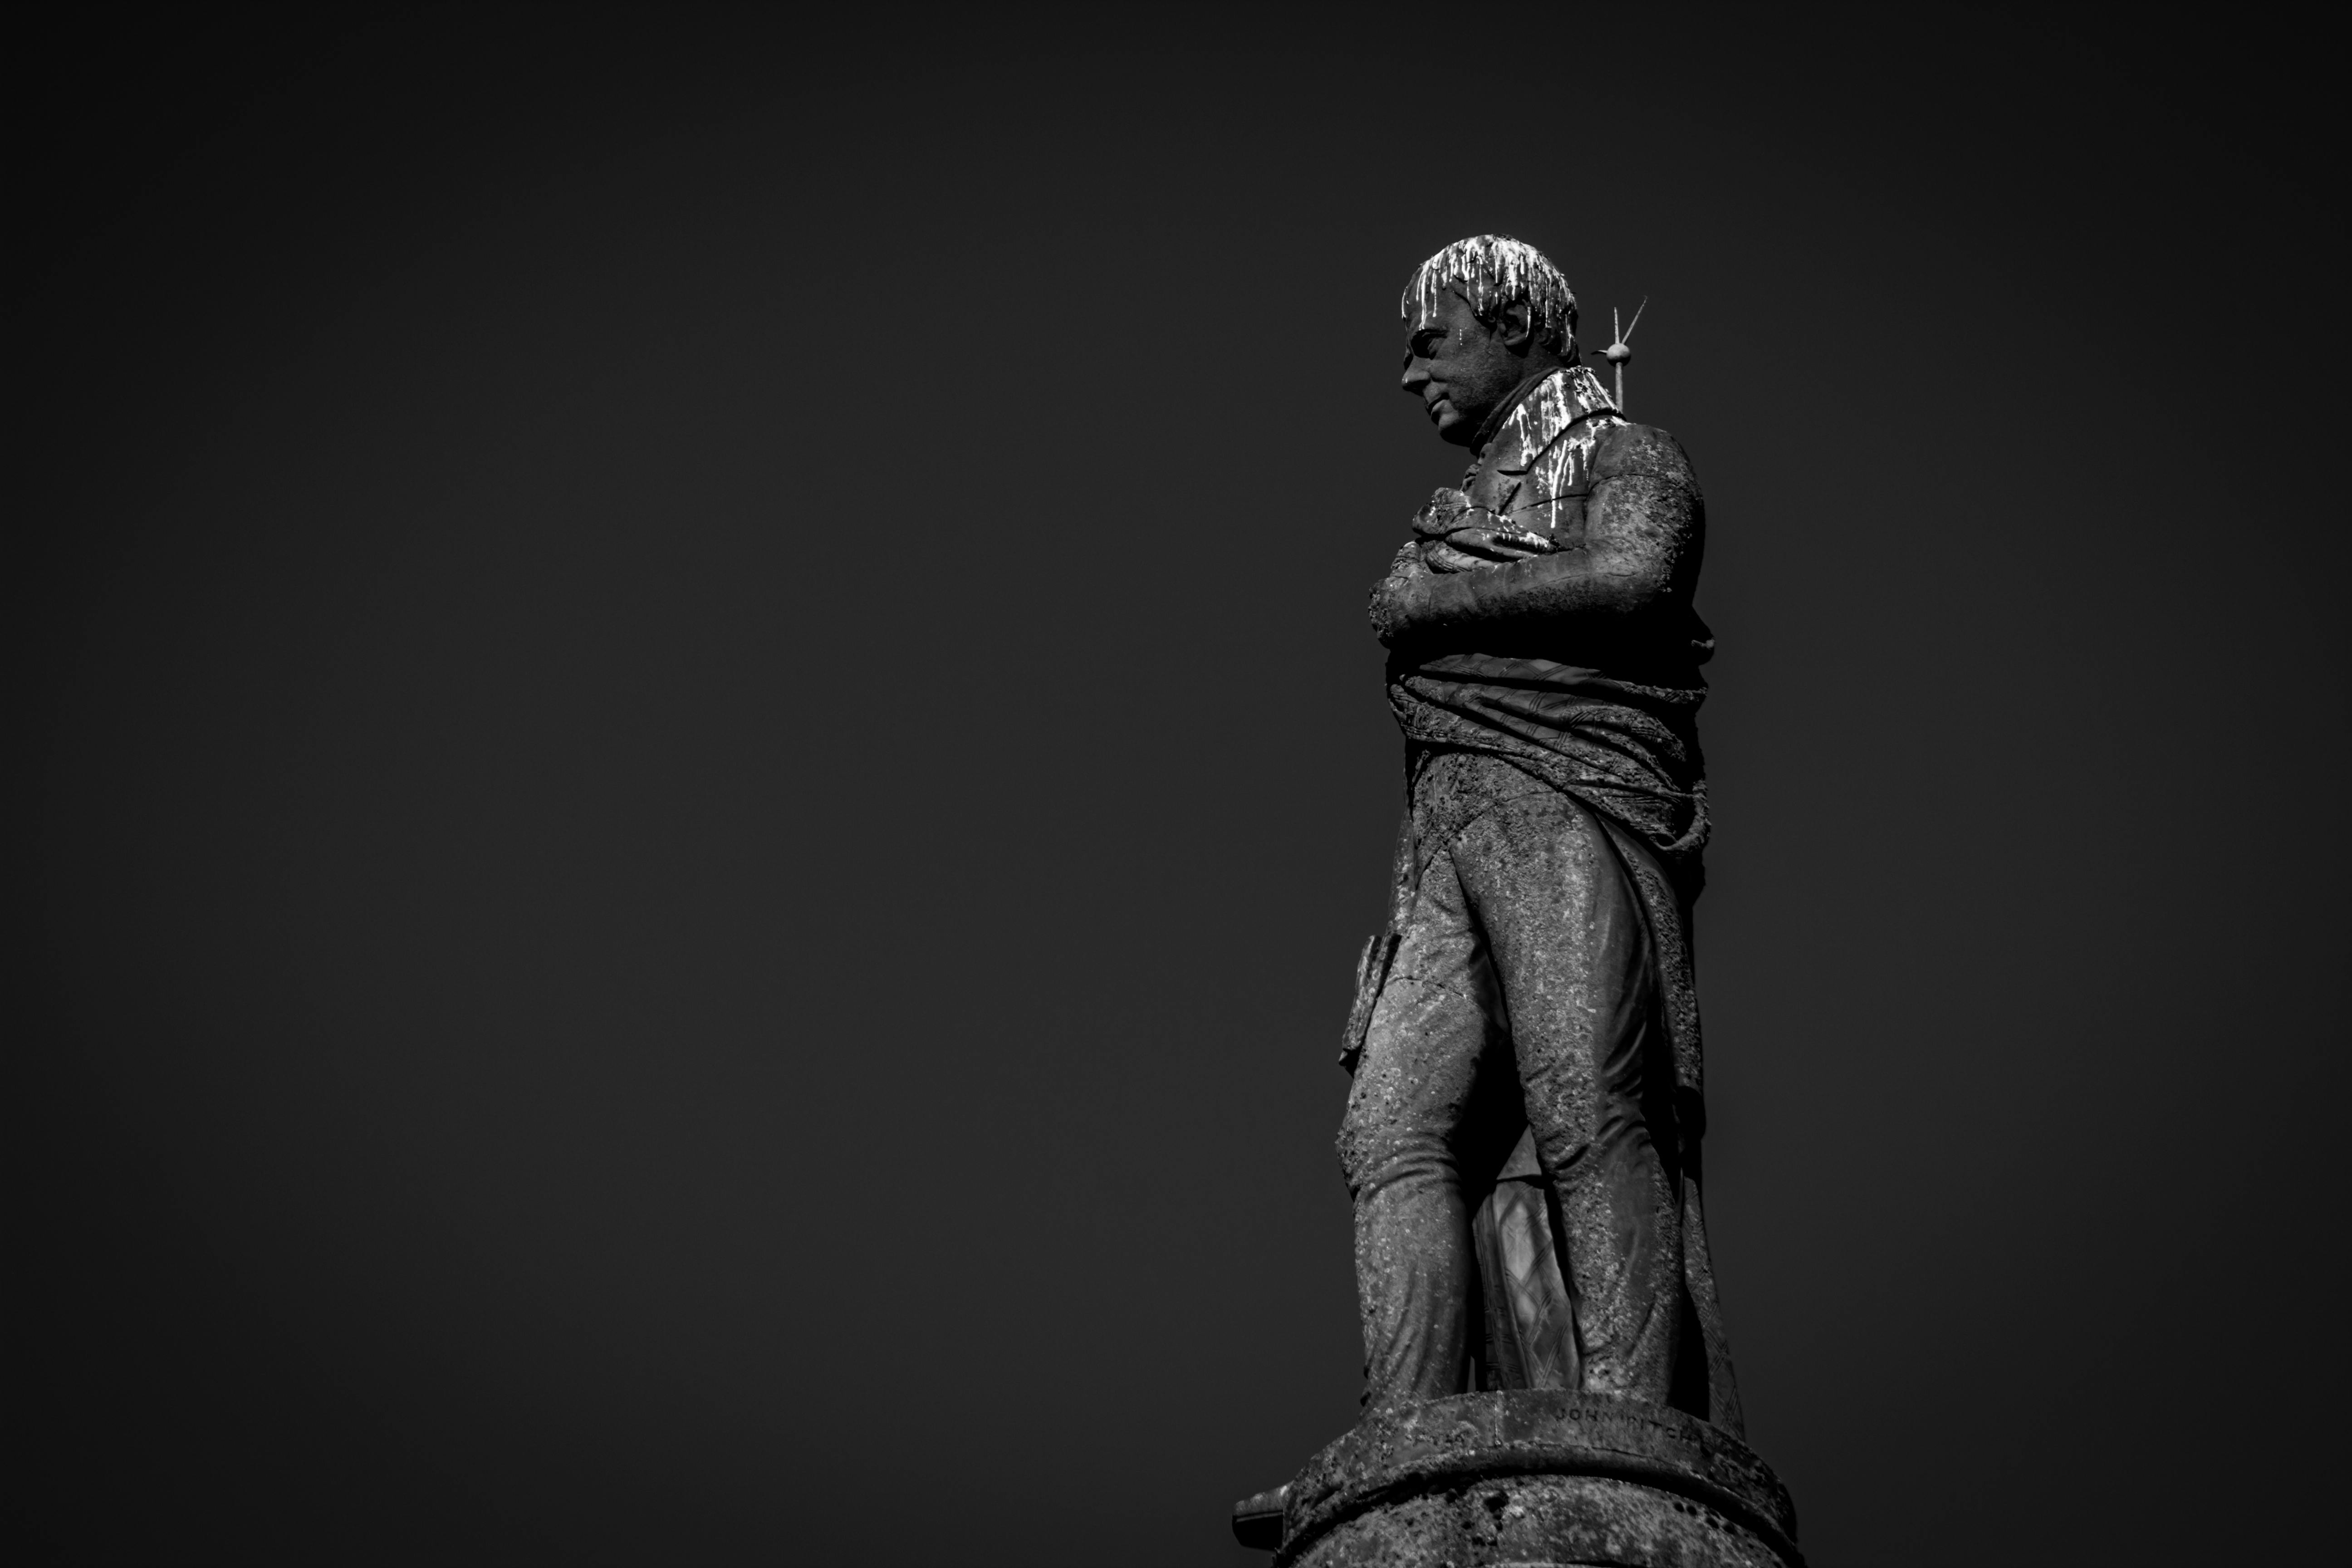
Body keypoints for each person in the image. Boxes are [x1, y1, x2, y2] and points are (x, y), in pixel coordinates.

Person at [1338, 235, 1742, 1431]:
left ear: (1513, 329)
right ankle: (1407, 1433)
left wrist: (1439, 600)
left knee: (1583, 1102)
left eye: (1433, 341)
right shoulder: (1467, 502)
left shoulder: (1629, 452)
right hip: (1446, 831)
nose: (1411, 373)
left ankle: (1627, 1424)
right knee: (1390, 1129)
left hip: (1572, 798)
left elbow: (1637, 577)